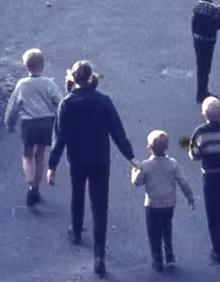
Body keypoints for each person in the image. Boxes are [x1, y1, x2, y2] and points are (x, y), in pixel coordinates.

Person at [47, 60, 141, 278]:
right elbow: (118, 132)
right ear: (91, 77)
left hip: (77, 159)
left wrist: (52, 165)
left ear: (73, 78)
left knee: (77, 195)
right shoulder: (103, 101)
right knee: (100, 206)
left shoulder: (67, 104)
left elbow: (60, 138)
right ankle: (100, 256)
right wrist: (131, 157)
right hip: (100, 159)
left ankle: (76, 231)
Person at [4, 49, 65, 207]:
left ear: (26, 66)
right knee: (40, 155)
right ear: (43, 65)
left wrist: (9, 124)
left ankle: (31, 185)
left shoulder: (22, 85)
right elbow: (60, 101)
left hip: (29, 123)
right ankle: (37, 186)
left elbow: (13, 107)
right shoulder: (48, 84)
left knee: (27, 154)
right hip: (46, 122)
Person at [131, 130, 195, 272]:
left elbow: (137, 182)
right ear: (167, 147)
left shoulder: (145, 165)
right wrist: (190, 197)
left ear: (149, 148)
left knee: (153, 233)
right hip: (169, 203)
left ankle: (157, 259)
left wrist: (134, 171)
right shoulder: (173, 164)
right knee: (167, 228)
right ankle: (169, 255)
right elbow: (183, 182)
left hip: (152, 204)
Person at [188, 97, 220, 264]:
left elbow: (195, 155)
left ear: (204, 114)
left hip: (210, 176)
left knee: (212, 211)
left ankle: (217, 249)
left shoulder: (200, 133)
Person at [192, 0, 220, 104]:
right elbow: (217, 25)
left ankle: (201, 91)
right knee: (205, 68)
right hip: (209, 42)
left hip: (198, 41)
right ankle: (202, 93)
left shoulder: (196, 8)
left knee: (201, 67)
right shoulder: (213, 10)